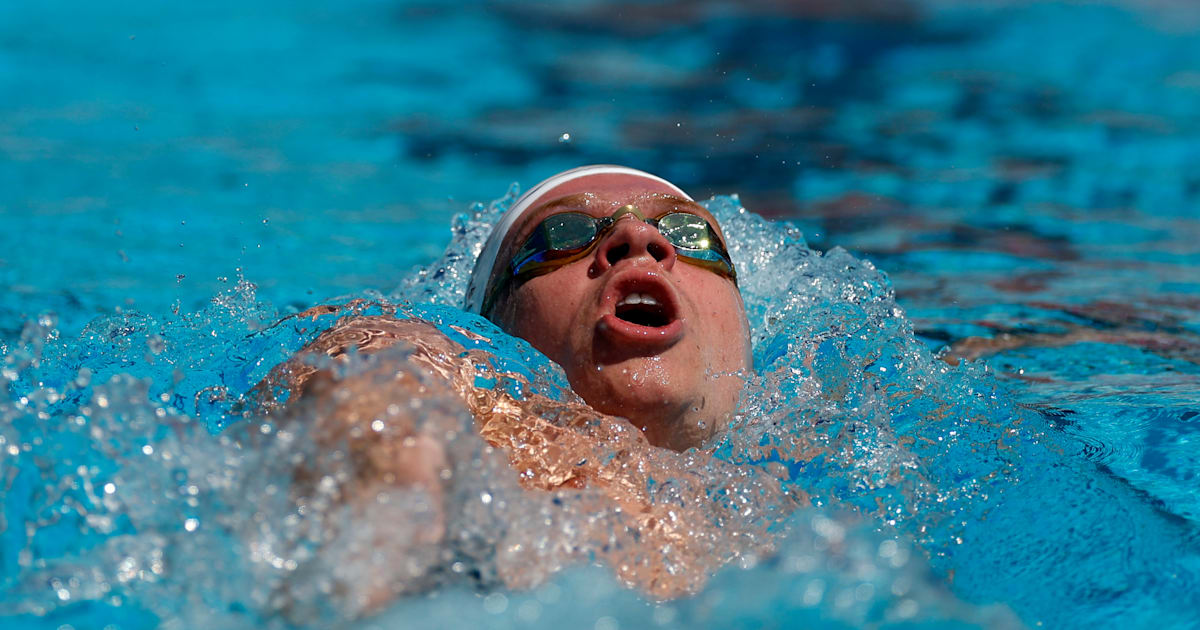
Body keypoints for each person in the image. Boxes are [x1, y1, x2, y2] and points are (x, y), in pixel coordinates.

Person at [250, 165, 789, 612]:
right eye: (564, 234)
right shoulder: (446, 404)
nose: (639, 239)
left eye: (691, 236)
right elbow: (371, 382)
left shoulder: (805, 485)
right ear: (486, 333)